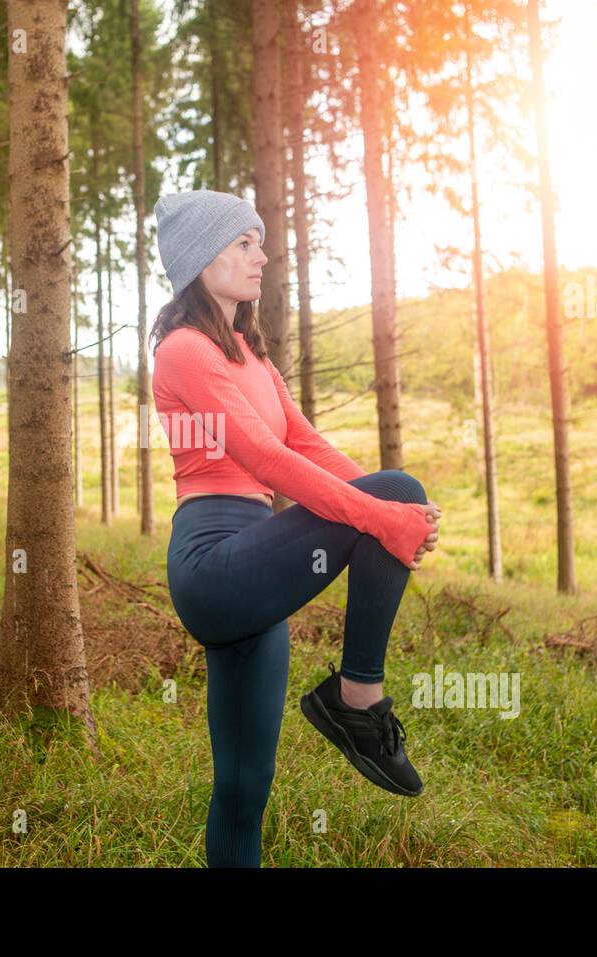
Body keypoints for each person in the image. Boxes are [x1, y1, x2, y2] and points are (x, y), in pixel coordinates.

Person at [150, 189, 442, 868]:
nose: (263, 256)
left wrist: (397, 512)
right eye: (245, 244)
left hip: (259, 560)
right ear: (202, 256)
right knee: (391, 493)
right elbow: (264, 457)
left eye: (261, 242)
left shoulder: (252, 357)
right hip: (215, 561)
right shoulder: (184, 350)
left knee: (246, 787)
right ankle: (356, 696)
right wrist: (381, 511)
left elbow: (306, 446)